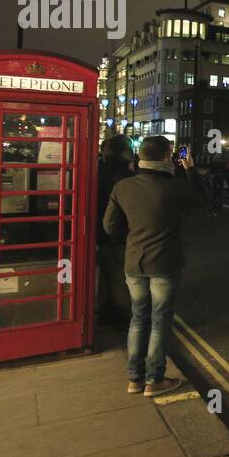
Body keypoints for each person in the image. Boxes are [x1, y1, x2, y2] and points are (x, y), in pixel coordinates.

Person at [103, 137, 206, 397]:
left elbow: (110, 227)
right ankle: (154, 379)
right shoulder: (175, 187)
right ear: (165, 158)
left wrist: (135, 237)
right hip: (164, 263)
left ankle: (134, 379)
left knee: (138, 319)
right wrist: (190, 168)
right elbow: (204, 200)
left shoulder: (123, 187)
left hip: (133, 263)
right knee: (160, 321)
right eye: (171, 155)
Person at [96, 135, 135, 327]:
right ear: (123, 152)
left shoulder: (96, 171)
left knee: (105, 274)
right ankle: (121, 316)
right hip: (118, 234)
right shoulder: (126, 177)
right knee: (120, 277)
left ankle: (103, 310)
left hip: (98, 233)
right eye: (130, 148)